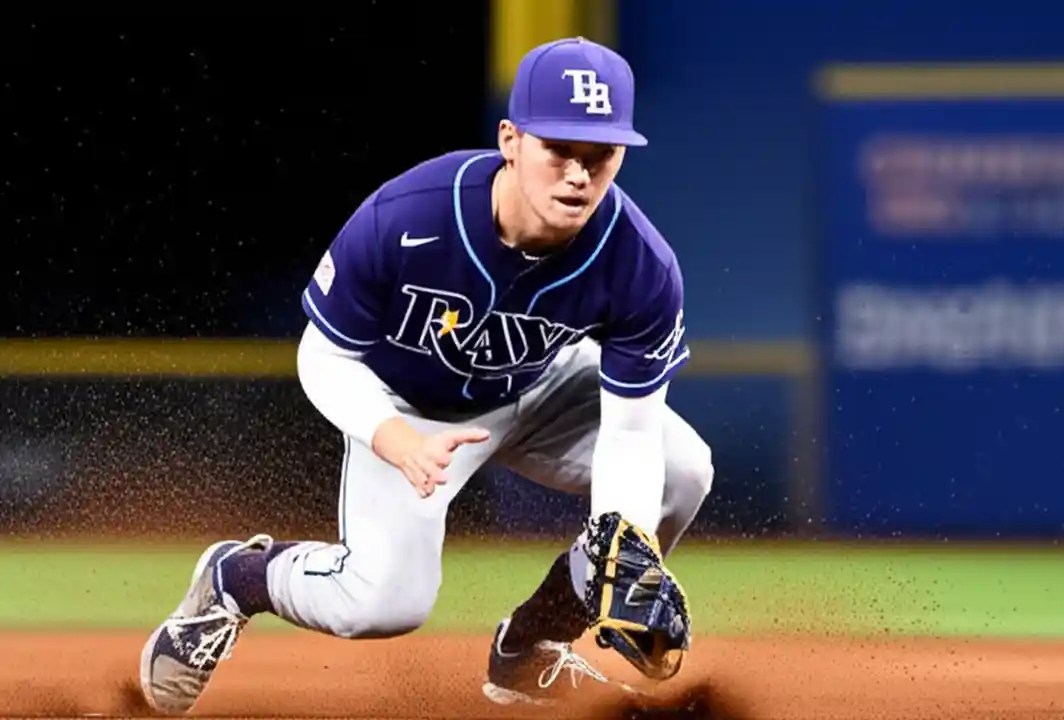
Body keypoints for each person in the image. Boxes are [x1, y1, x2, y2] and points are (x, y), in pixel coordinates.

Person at [139, 36, 714, 715]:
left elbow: (632, 431)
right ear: (510, 139)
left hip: (540, 387)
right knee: (383, 604)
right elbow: (321, 356)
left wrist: (624, 539)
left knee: (684, 470)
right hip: (408, 409)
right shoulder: (409, 217)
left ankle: (532, 641)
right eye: (559, 149)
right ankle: (238, 578)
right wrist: (390, 436)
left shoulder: (641, 264)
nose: (578, 175)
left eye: (601, 155)